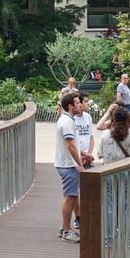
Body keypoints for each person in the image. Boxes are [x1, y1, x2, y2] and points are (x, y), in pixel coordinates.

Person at [54, 92, 83, 243]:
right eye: (78, 103)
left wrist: (83, 154)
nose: (80, 105)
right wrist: (80, 164)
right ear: (70, 106)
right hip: (67, 164)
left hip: (66, 163)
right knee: (69, 197)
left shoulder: (66, 120)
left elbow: (73, 145)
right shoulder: (67, 122)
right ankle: (66, 231)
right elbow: (70, 145)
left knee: (72, 195)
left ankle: (64, 227)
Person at [74, 93, 95, 168]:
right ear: (79, 104)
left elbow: (91, 138)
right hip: (76, 158)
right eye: (85, 102)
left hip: (88, 158)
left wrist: (88, 155)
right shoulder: (73, 119)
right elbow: (71, 144)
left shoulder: (88, 117)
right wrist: (84, 155)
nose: (88, 104)